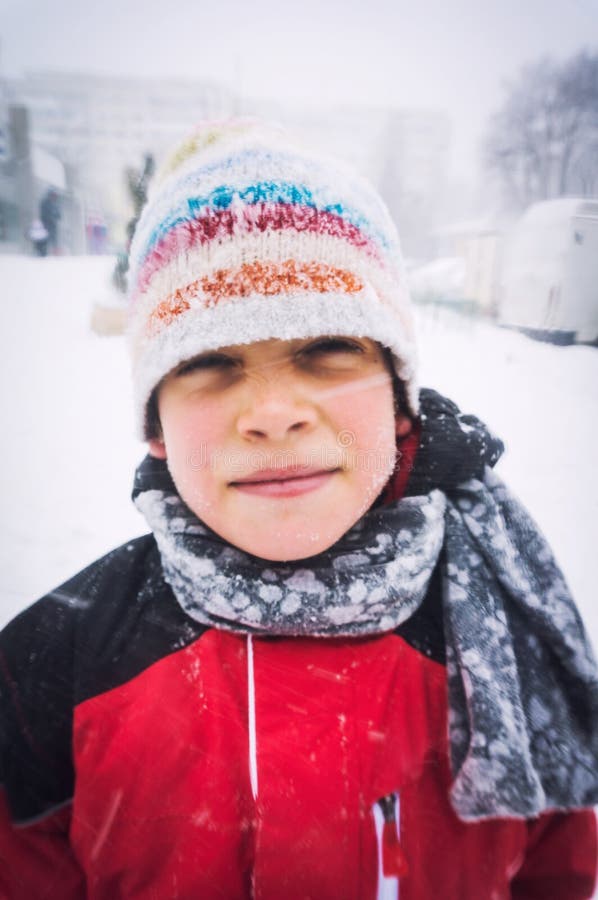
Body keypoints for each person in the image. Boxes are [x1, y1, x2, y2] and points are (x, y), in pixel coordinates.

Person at [1, 119, 597, 899]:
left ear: (400, 402)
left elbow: (557, 866)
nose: (275, 412)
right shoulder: (48, 666)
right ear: (155, 425)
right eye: (211, 362)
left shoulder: (506, 637)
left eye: (326, 350)